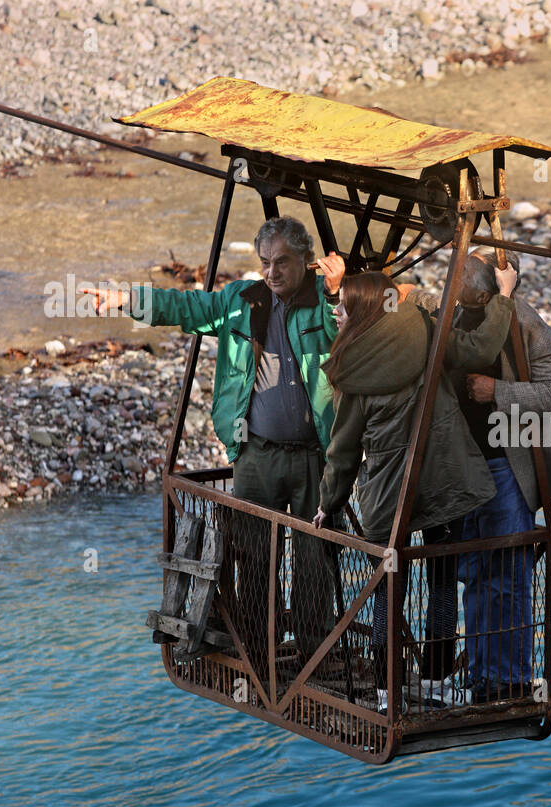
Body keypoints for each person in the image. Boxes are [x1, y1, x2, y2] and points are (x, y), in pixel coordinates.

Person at [85, 217, 345, 667]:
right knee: (254, 556)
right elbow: (184, 308)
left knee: (315, 559)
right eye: (265, 262)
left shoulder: (322, 304)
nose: (272, 272)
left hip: (313, 457)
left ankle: (315, 653)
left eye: (282, 262)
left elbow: (348, 333)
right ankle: (257, 649)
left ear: (307, 260)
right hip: (257, 453)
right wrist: (124, 300)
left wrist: (338, 291)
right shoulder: (241, 301)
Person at [314, 263, 519, 711]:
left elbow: (343, 453)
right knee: (442, 580)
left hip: (388, 495)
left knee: (389, 588)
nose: (336, 315)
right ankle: (439, 677)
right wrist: (503, 296)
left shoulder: (353, 368)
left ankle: (388, 687)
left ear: (364, 312)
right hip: (443, 479)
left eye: (343, 309)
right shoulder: (426, 329)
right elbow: (482, 346)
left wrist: (328, 505)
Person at [418, 249, 551, 704]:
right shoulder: (450, 312)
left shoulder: (527, 326)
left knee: (506, 574)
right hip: (457, 470)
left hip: (505, 467)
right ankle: (481, 676)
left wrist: (497, 392)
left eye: (462, 275)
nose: (451, 279)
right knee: (472, 571)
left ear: (488, 287)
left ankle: (506, 680)